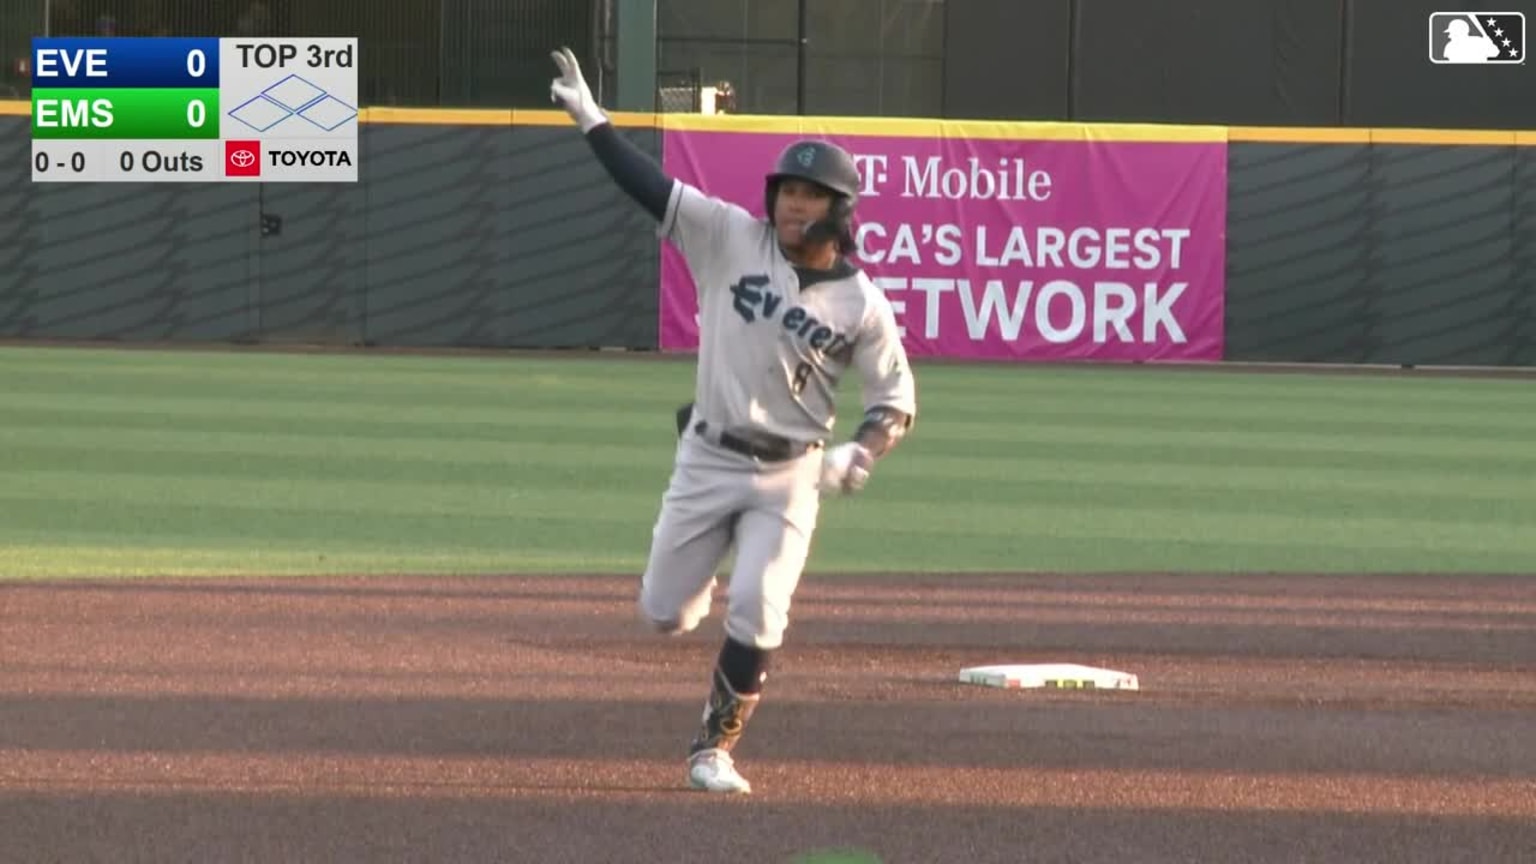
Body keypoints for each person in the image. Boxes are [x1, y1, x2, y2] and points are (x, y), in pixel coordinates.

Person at [548, 47, 918, 794]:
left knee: (760, 603)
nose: (790, 203)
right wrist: (595, 123)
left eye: (809, 195)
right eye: (785, 189)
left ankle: (712, 747)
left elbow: (895, 402)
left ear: (840, 211)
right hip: (707, 459)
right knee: (662, 615)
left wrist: (865, 452)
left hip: (790, 475)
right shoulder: (727, 238)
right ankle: (702, 575)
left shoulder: (863, 305)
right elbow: (651, 188)